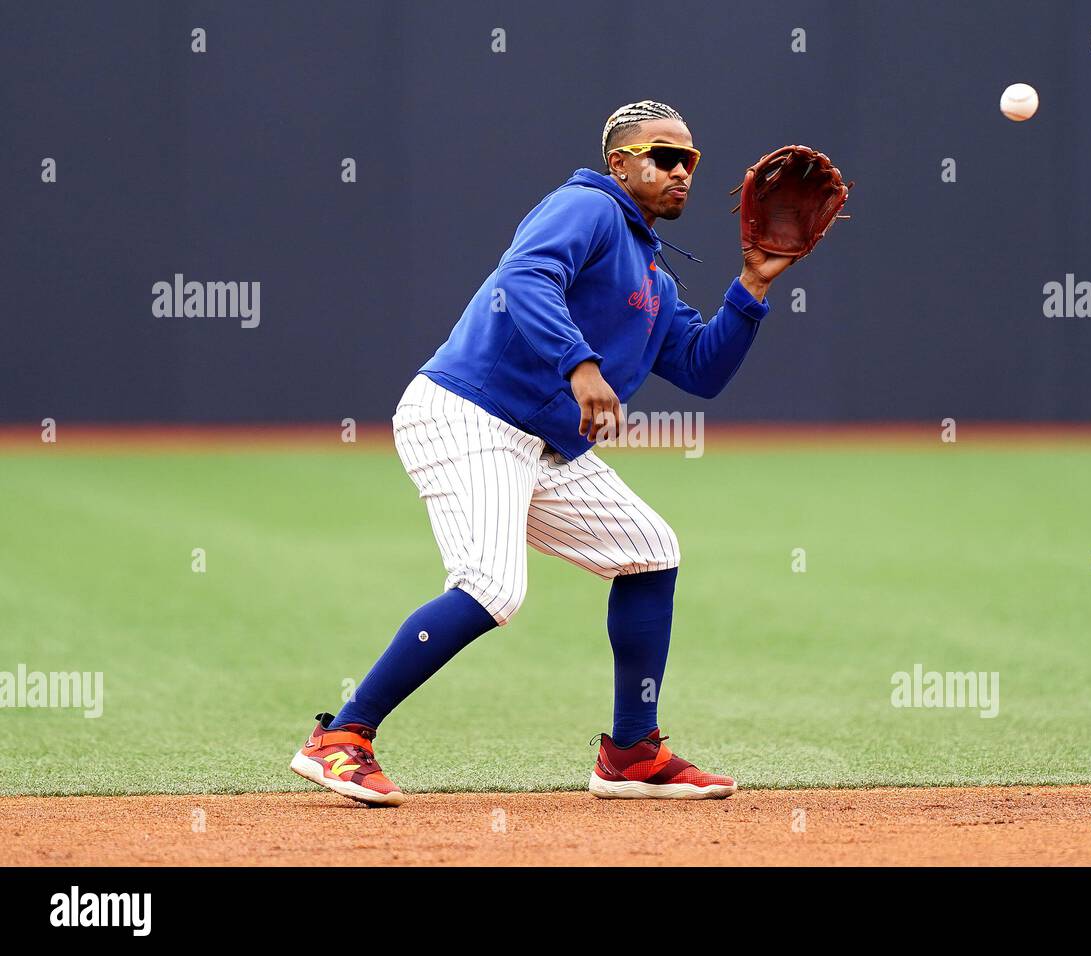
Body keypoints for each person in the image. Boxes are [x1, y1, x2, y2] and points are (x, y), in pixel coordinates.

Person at [291, 100, 796, 804]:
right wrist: (580, 365)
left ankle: (631, 753)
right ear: (619, 163)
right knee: (492, 586)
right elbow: (523, 279)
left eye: (690, 161)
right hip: (467, 414)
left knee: (650, 549)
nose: (681, 170)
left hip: (540, 446)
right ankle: (341, 737)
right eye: (663, 154)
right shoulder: (585, 206)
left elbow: (703, 371)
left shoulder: (655, 277)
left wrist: (752, 287)